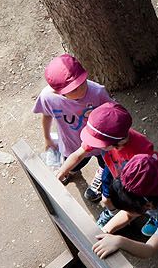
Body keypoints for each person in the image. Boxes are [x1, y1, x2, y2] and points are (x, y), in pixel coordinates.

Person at [54, 101, 158, 227]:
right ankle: (113, 214)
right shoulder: (104, 136)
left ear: (118, 144)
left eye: (98, 144)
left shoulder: (141, 148)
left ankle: (156, 217)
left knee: (144, 202)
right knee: (106, 199)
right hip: (113, 171)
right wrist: (61, 172)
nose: (93, 145)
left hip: (138, 181)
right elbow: (78, 155)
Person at [31, 54, 114, 192]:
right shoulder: (48, 98)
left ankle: (101, 171)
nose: (81, 89)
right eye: (74, 89)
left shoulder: (97, 92)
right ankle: (70, 171)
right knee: (74, 164)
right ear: (59, 92)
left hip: (99, 143)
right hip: (71, 145)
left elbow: (113, 112)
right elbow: (46, 115)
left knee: (105, 163)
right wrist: (47, 138)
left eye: (82, 81)